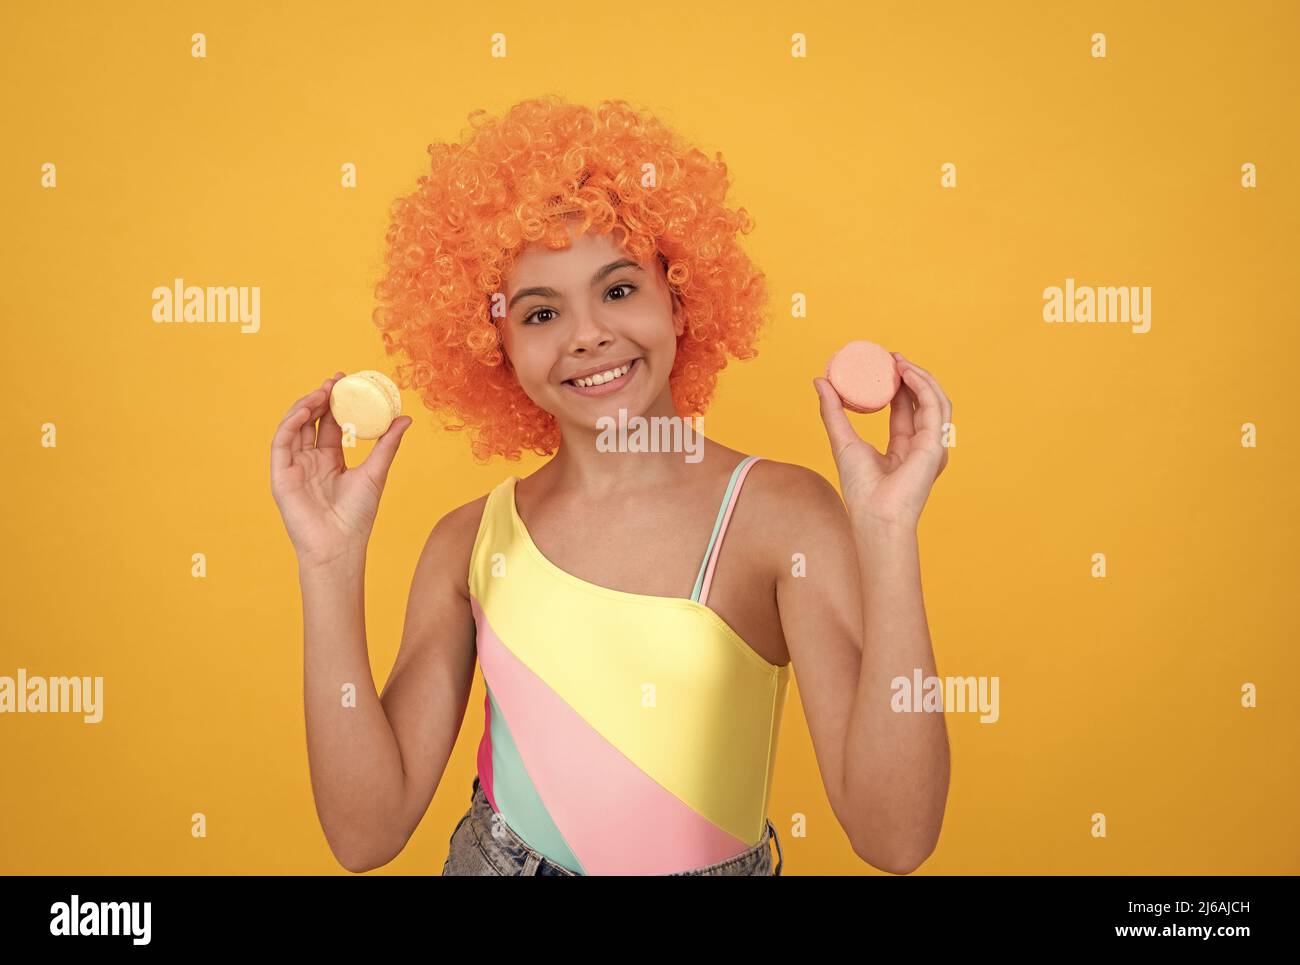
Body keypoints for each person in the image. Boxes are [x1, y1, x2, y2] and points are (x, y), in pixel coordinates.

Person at [270, 95, 951, 876]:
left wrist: (889, 534)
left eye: (619, 290)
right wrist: (326, 563)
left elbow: (895, 836)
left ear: (680, 295)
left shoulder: (779, 516)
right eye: (540, 312)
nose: (587, 332)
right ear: (495, 344)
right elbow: (366, 833)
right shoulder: (469, 543)